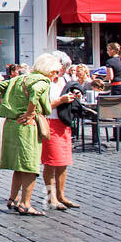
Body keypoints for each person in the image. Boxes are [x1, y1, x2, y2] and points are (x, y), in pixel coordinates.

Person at [0, 57, 53, 216]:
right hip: (27, 126)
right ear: (50, 71)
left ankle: (13, 198)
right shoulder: (43, 81)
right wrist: (29, 112)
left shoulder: (19, 78)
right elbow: (35, 94)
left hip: (12, 124)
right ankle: (26, 204)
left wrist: (9, 105)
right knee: (29, 165)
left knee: (19, 166)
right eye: (55, 72)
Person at [42, 53, 79, 210]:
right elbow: (44, 106)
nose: (64, 71)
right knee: (51, 161)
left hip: (63, 122)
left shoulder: (64, 80)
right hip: (50, 122)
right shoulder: (45, 82)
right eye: (62, 67)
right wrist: (61, 100)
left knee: (63, 161)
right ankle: (51, 197)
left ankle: (61, 195)